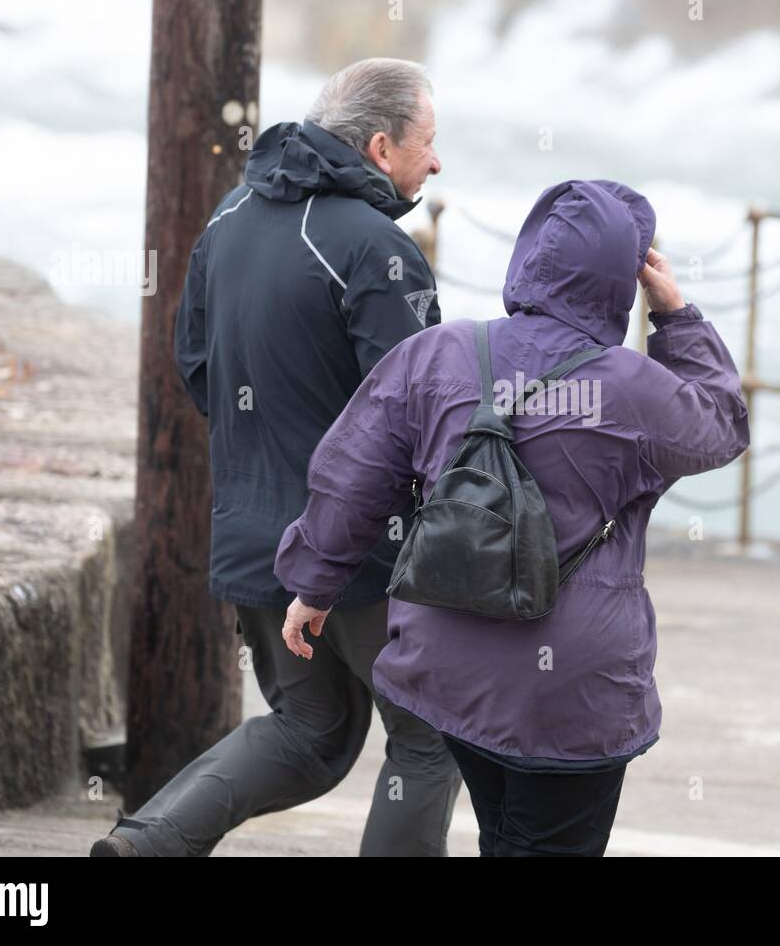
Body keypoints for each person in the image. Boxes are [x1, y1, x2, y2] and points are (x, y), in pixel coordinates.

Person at [274, 179, 750, 856]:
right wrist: (675, 315)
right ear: (624, 277)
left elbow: (350, 477)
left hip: (450, 666)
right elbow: (722, 426)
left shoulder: (437, 353)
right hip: (574, 695)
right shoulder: (633, 386)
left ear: (528, 256)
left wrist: (314, 585)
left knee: (502, 831)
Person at [91, 57, 462, 857]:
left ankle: (149, 842)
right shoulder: (376, 250)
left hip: (255, 542)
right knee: (432, 737)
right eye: (428, 143)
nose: (435, 163)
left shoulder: (228, 218)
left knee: (312, 729)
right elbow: (420, 413)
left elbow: (197, 369)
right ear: (378, 145)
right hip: (364, 553)